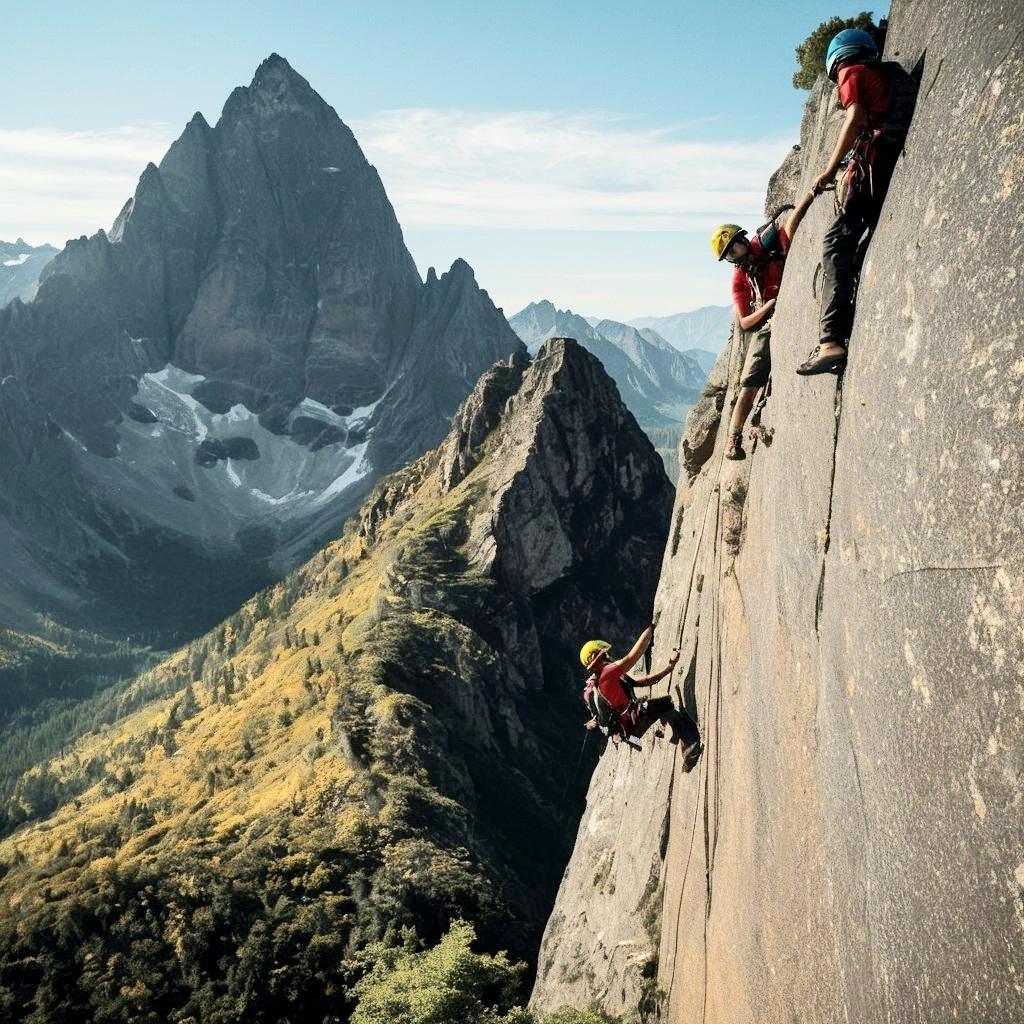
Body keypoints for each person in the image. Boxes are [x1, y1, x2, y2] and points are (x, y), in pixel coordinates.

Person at [796, 28, 914, 375]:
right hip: (885, 158)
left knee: (834, 244)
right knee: (849, 246)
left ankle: (830, 342)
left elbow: (855, 118)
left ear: (837, 60)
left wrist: (829, 170)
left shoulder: (852, 73)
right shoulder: (883, 74)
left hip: (872, 168)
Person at [710, 188, 817, 459]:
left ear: (742, 239)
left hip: (789, 301)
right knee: (750, 380)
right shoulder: (739, 279)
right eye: (730, 255)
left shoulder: (764, 243)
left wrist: (811, 193)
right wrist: (770, 306)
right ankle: (733, 439)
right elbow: (745, 321)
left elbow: (789, 226)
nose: (735, 254)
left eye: (735, 246)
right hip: (767, 322)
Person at [579, 626, 702, 772]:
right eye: (602, 652)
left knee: (661, 707)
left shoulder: (596, 683)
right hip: (633, 719)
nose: (606, 654)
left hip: (626, 731)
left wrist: (669, 667)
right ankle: (690, 747)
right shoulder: (607, 673)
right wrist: (651, 629)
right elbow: (634, 656)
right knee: (666, 705)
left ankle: (674, 738)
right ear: (596, 656)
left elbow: (641, 681)